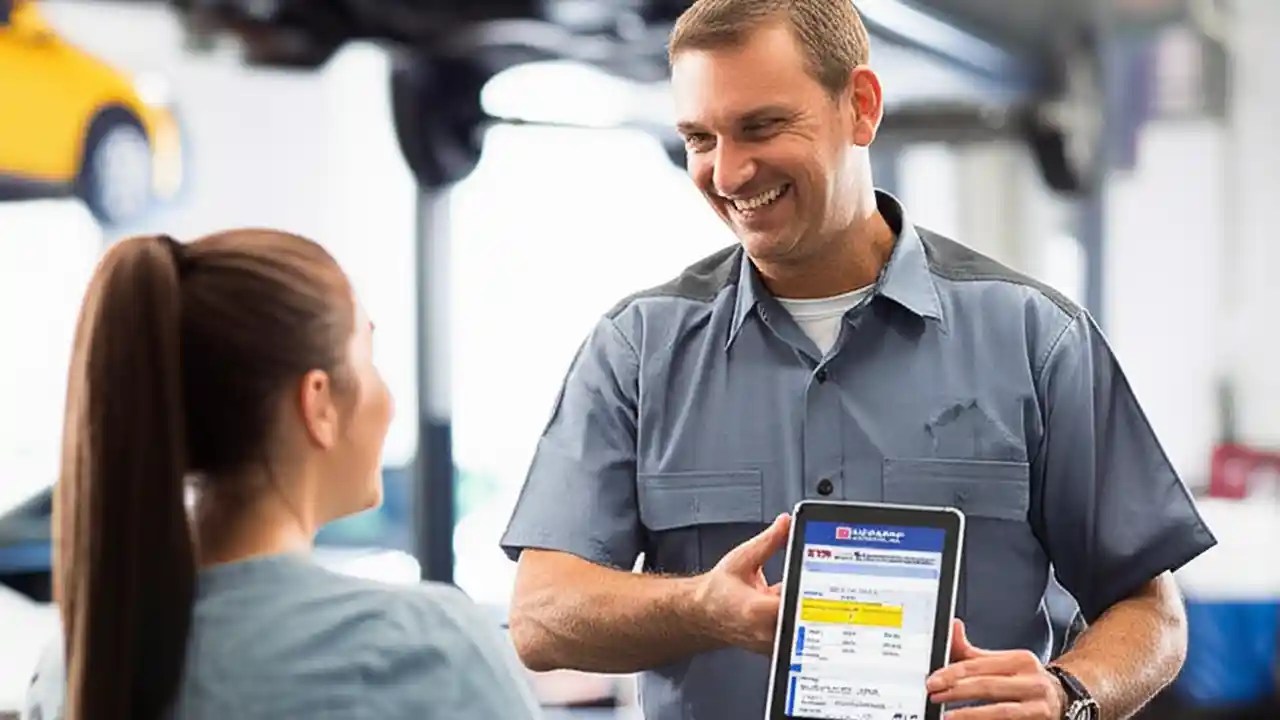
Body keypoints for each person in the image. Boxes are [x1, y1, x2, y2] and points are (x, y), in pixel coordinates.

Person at [499, 1, 1217, 719]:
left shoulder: (1036, 339)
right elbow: (540, 617)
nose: (729, 172)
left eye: (762, 126)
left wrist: (1071, 694)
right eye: (700, 138)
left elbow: (1152, 612)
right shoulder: (637, 352)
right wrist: (700, 608)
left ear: (862, 108)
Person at [24, 230, 540, 720]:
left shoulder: (73, 668)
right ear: (318, 402)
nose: (388, 399)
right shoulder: (431, 648)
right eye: (367, 357)